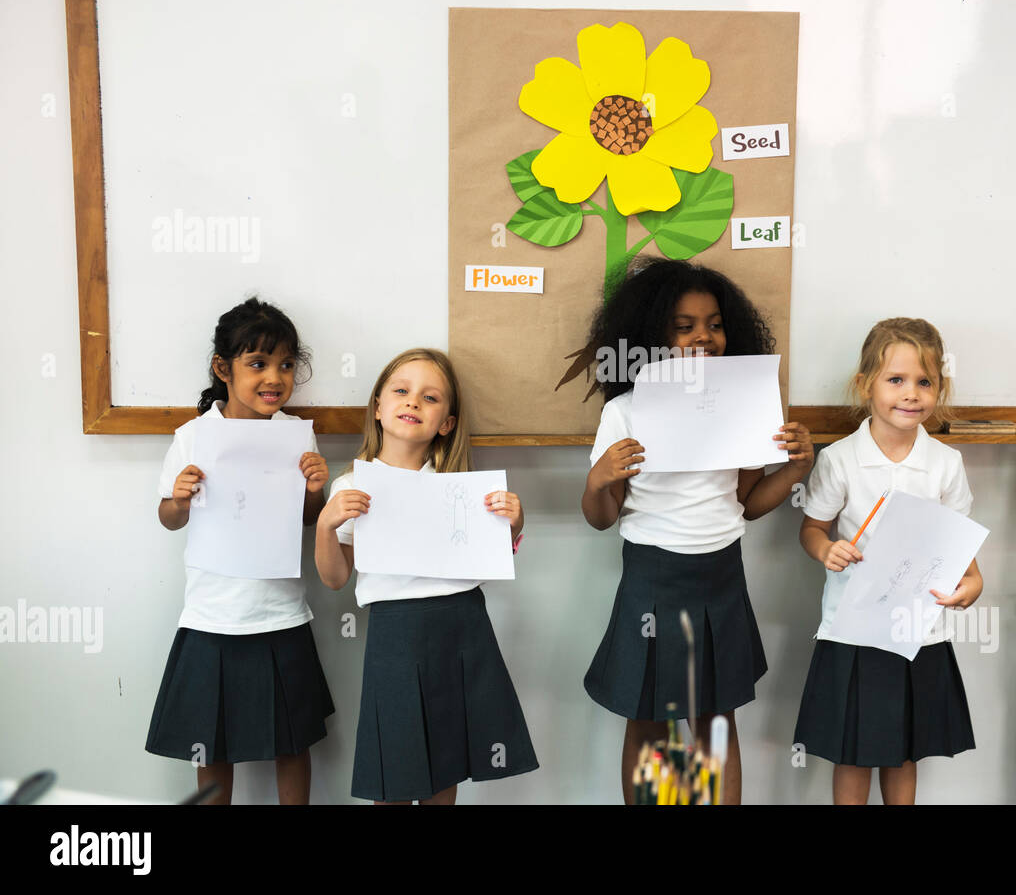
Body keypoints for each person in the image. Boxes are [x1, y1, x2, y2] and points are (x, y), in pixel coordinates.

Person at [580, 258, 813, 804]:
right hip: (652, 578)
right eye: (683, 326)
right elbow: (601, 515)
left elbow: (749, 504)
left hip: (721, 574)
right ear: (650, 335)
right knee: (650, 720)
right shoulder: (624, 411)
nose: (703, 337)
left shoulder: (746, 408)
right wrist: (597, 480)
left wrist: (796, 468)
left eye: (713, 323)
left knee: (714, 721)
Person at [315, 347, 537, 804]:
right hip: (395, 637)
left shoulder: (462, 488)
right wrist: (325, 526)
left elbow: (492, 560)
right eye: (401, 391)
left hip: (462, 630)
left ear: (447, 423)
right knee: (393, 771)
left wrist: (515, 525)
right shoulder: (351, 487)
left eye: (430, 397)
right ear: (378, 406)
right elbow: (336, 578)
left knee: (445, 769)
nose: (413, 402)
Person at [147, 297, 333, 805]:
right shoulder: (192, 437)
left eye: (287, 364)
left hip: (281, 613)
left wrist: (316, 488)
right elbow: (168, 518)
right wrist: (179, 498)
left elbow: (309, 517)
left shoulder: (297, 434)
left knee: (291, 741)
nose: (275, 377)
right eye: (258, 363)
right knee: (211, 745)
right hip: (213, 616)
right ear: (222, 368)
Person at [795, 317, 982, 804]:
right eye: (895, 380)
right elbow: (812, 529)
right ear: (865, 386)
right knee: (852, 754)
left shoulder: (946, 462)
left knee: (904, 753)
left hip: (918, 631)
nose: (911, 393)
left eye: (925, 382)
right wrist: (826, 549)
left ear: (940, 389)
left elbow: (963, 550)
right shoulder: (839, 458)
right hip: (854, 627)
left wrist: (974, 584)